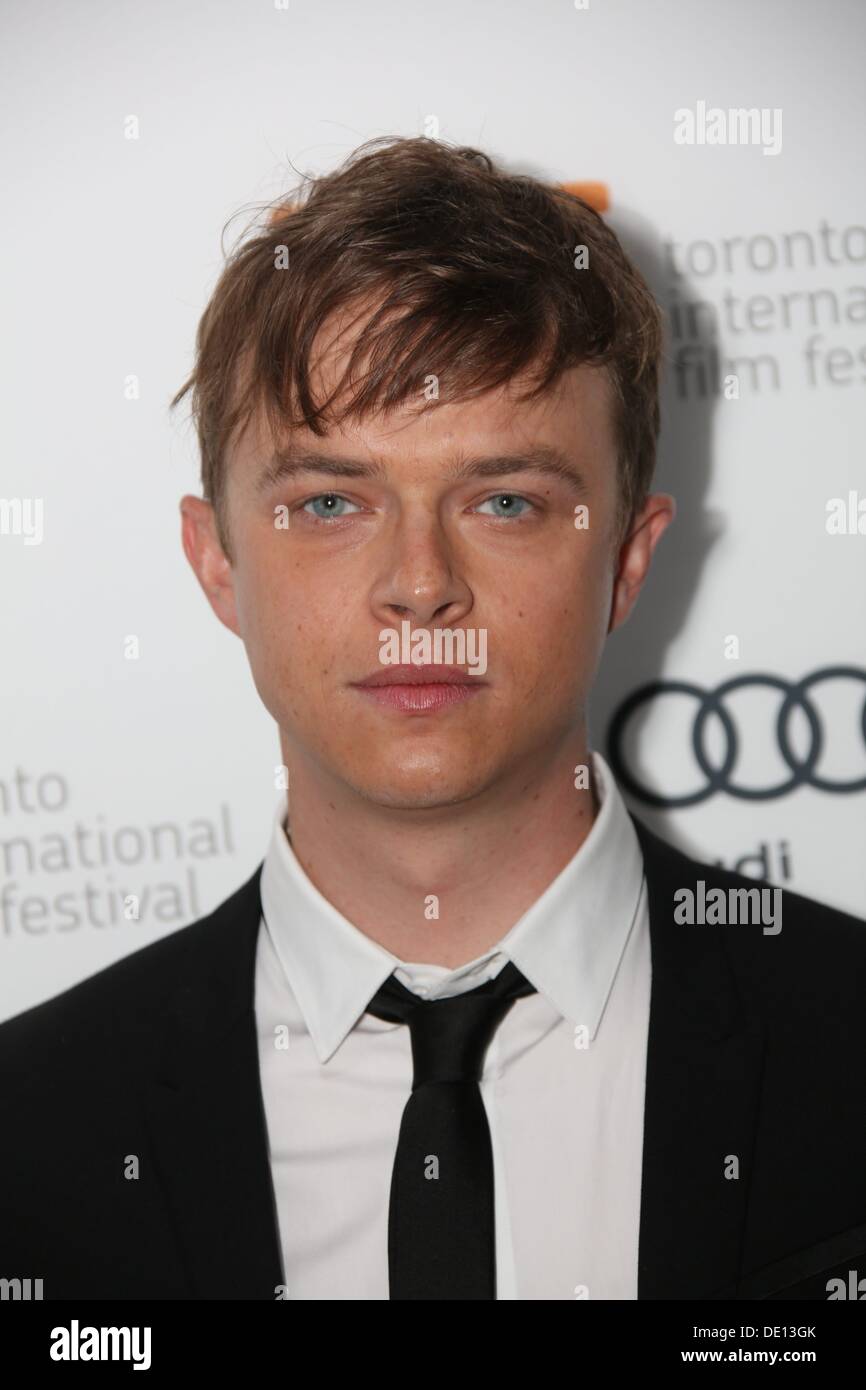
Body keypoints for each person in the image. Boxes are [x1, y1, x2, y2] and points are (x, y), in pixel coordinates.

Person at [1, 137, 863, 1302]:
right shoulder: (31, 1131)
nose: (418, 584)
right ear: (215, 564)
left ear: (623, 559)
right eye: (328, 502)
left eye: (504, 499)